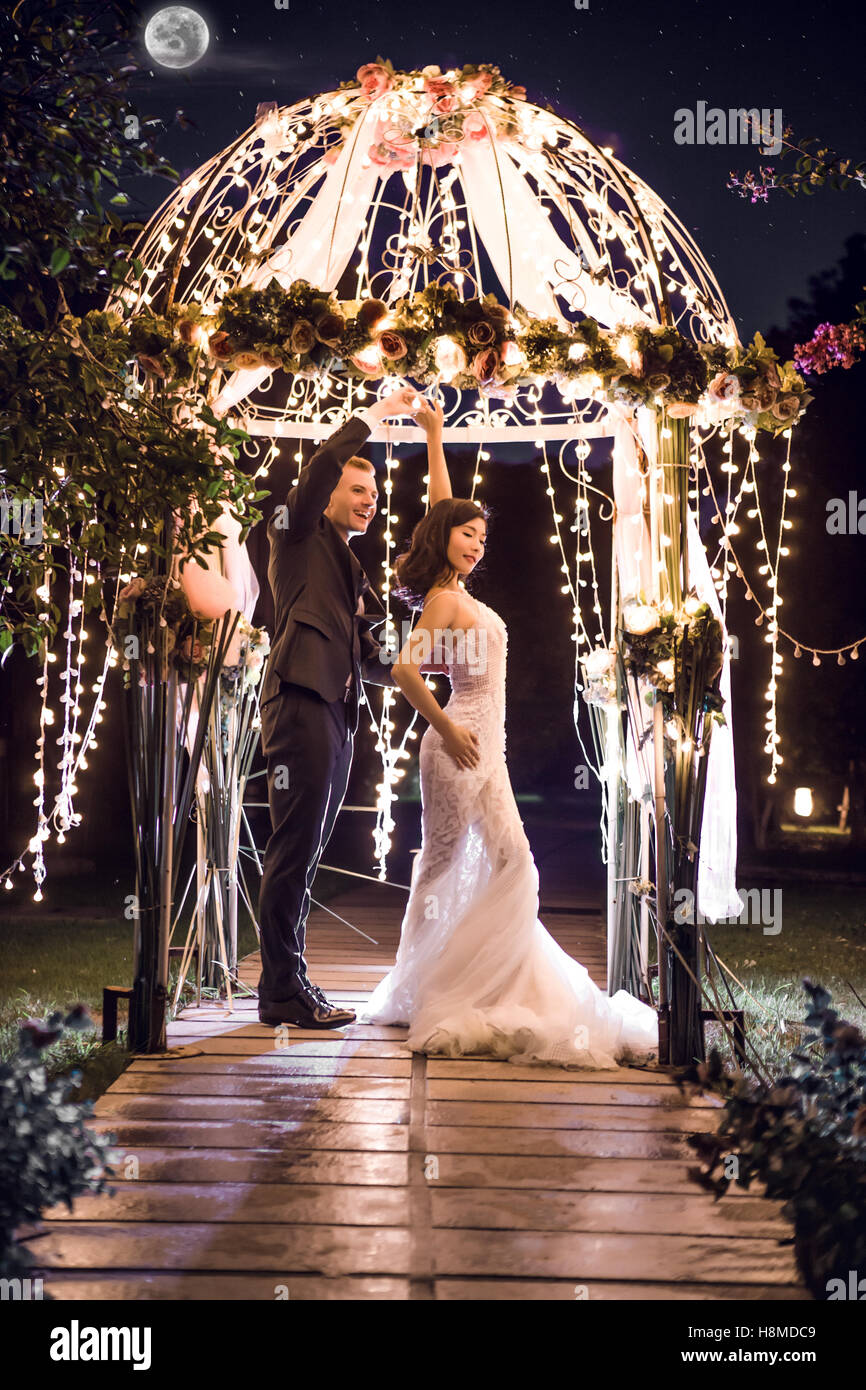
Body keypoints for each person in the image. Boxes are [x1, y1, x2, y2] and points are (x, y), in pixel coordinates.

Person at [360, 397, 659, 1068]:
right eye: (467, 535)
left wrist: (435, 437)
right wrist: (444, 725)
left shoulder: (455, 589)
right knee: (440, 867)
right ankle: (422, 983)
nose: (476, 542)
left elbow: (441, 508)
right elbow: (405, 669)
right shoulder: (442, 599)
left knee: (514, 863)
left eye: (482, 537)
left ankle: (490, 979)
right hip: (458, 744)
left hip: (485, 749)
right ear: (446, 541)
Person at [256, 385, 420, 1029]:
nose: (370, 498)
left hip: (336, 711)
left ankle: (288, 982)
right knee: (294, 846)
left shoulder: (352, 568)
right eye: (358, 488)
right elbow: (323, 462)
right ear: (326, 493)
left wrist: (424, 626)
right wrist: (374, 419)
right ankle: (280, 991)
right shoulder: (293, 533)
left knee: (309, 846)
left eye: (374, 491)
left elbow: (381, 657)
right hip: (300, 700)